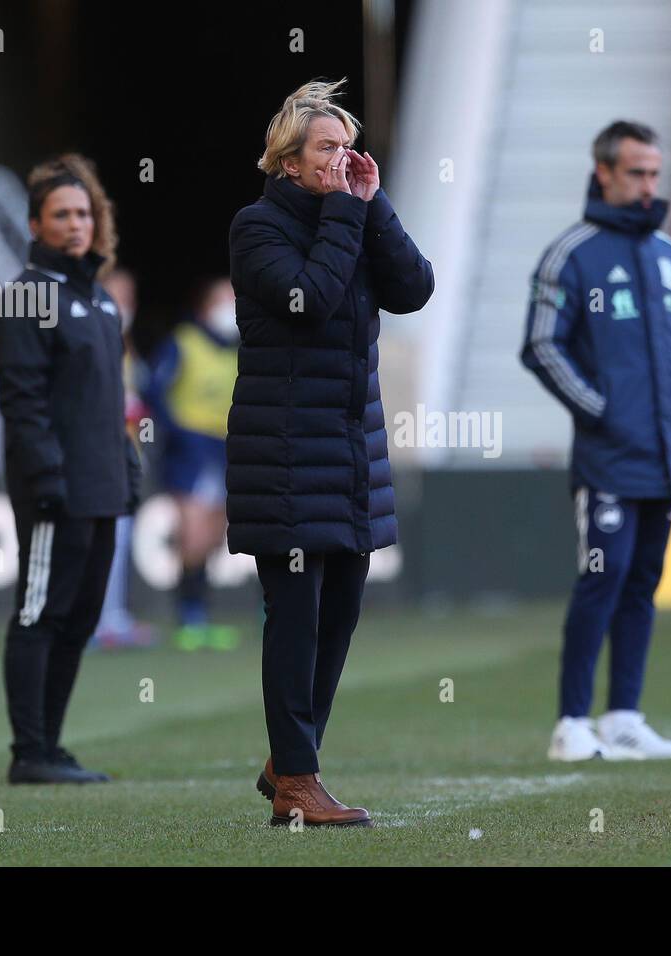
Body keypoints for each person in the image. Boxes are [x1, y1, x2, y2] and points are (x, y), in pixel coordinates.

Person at [227, 78, 433, 826]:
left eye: (350, 146)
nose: (343, 157)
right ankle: (297, 783)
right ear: (289, 163)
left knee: (340, 610)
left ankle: (290, 758)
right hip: (282, 452)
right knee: (296, 613)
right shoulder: (257, 229)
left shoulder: (352, 214)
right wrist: (348, 213)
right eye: (327, 147)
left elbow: (414, 288)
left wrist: (374, 206)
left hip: (349, 451)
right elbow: (306, 301)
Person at [520, 120, 671, 762]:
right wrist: (600, 411)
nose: (648, 185)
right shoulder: (571, 254)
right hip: (609, 454)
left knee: (642, 583)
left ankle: (624, 716)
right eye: (636, 172)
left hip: (667, 451)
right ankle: (571, 723)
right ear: (603, 171)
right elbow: (542, 344)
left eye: (655, 173)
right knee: (600, 581)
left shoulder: (669, 255)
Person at [0, 153, 142, 783]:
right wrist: (47, 477)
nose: (75, 224)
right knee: (40, 612)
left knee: (79, 619)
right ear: (35, 225)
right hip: (55, 491)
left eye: (83, 213)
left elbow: (107, 402)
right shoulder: (25, 299)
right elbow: (21, 399)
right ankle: (28, 753)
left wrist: (129, 470)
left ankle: (51, 746)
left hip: (103, 487)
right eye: (60, 215)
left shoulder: (102, 303)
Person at [142, 277, 240, 651]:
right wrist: (174, 430)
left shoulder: (235, 348)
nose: (231, 306)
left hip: (224, 445)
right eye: (224, 299)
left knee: (215, 533)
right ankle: (188, 615)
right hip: (192, 446)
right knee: (194, 531)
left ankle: (198, 613)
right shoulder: (184, 342)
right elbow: (154, 387)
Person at [89, 266, 157, 650]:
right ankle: (99, 621)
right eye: (117, 295)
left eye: (129, 296)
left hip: (124, 455)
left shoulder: (124, 344)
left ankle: (111, 617)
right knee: (103, 539)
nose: (124, 304)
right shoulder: (95, 340)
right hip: (101, 456)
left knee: (117, 539)